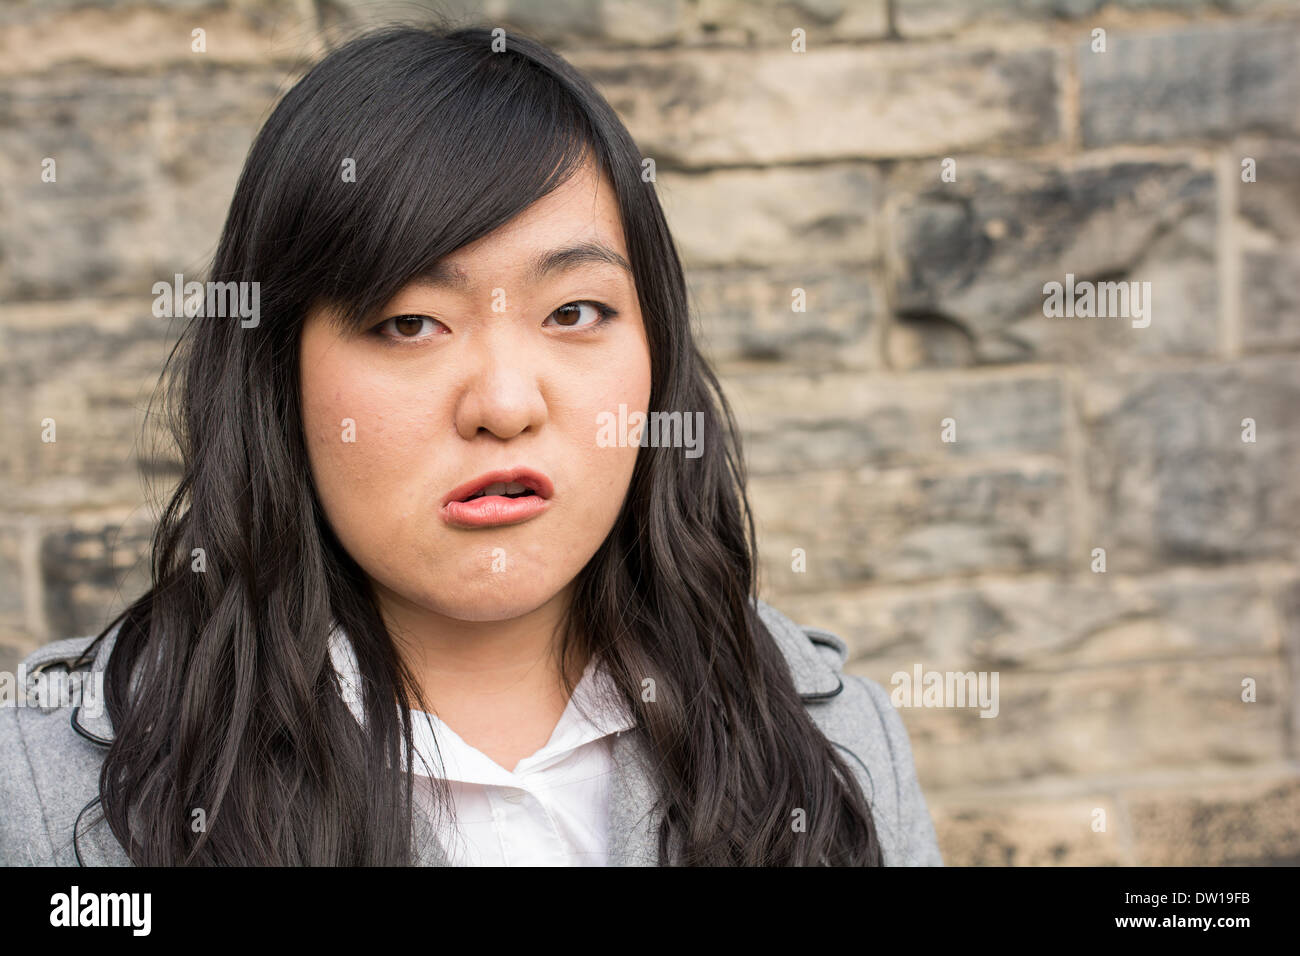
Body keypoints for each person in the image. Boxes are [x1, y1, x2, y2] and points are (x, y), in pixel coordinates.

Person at [0, 21, 942, 867]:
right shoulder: (55, 789)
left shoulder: (835, 747)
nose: (503, 402)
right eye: (410, 323)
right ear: (275, 377)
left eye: (575, 311)